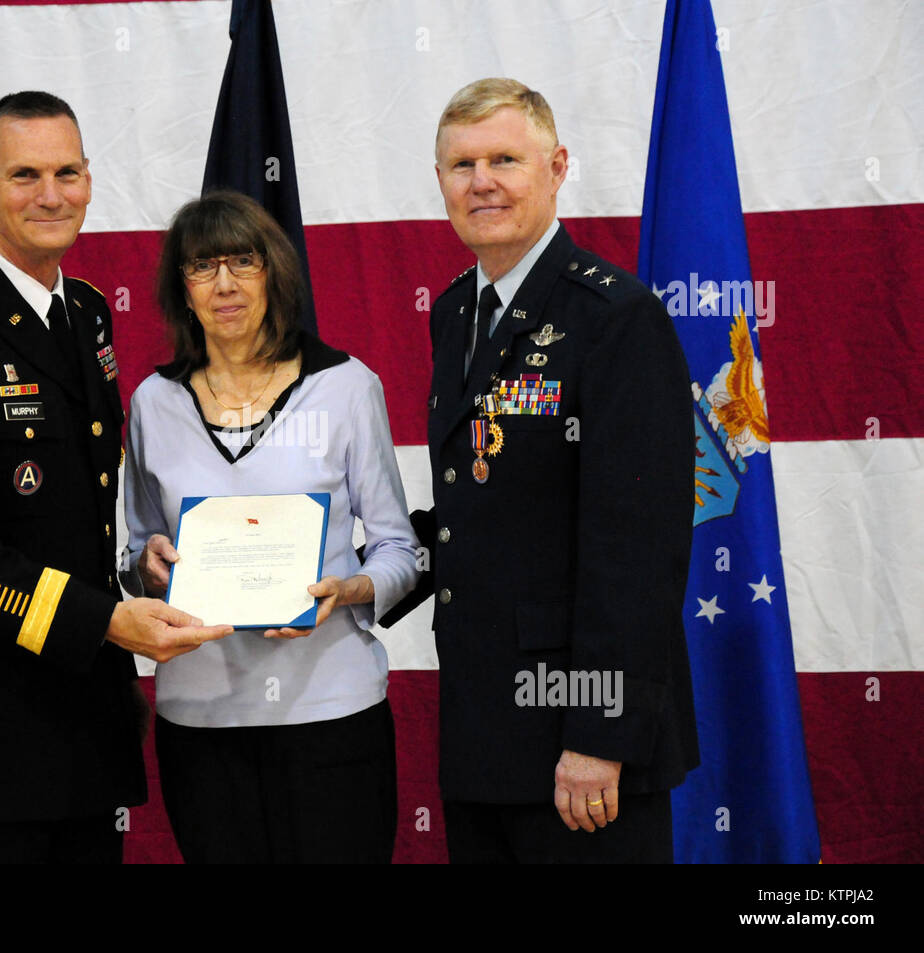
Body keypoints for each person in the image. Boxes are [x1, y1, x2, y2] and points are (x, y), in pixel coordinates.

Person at [0, 91, 230, 865]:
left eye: (68, 172)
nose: (51, 195)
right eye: (25, 174)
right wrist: (105, 621)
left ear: (91, 180)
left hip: (82, 724)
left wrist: (141, 564)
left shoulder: (87, 313)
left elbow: (79, 511)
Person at [411, 78, 699, 862]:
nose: (483, 182)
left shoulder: (615, 318)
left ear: (557, 165)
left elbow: (637, 549)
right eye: (461, 164)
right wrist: (365, 568)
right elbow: (478, 508)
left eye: (505, 158)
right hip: (482, 735)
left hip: (579, 748)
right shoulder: (453, 314)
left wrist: (600, 737)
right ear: (439, 180)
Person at [122, 190, 419, 863]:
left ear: (273, 273)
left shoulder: (346, 386)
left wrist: (346, 590)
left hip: (331, 712)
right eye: (202, 267)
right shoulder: (152, 402)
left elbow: (401, 548)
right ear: (181, 288)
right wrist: (150, 562)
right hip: (200, 718)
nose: (224, 283)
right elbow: (139, 548)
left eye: (242, 261)